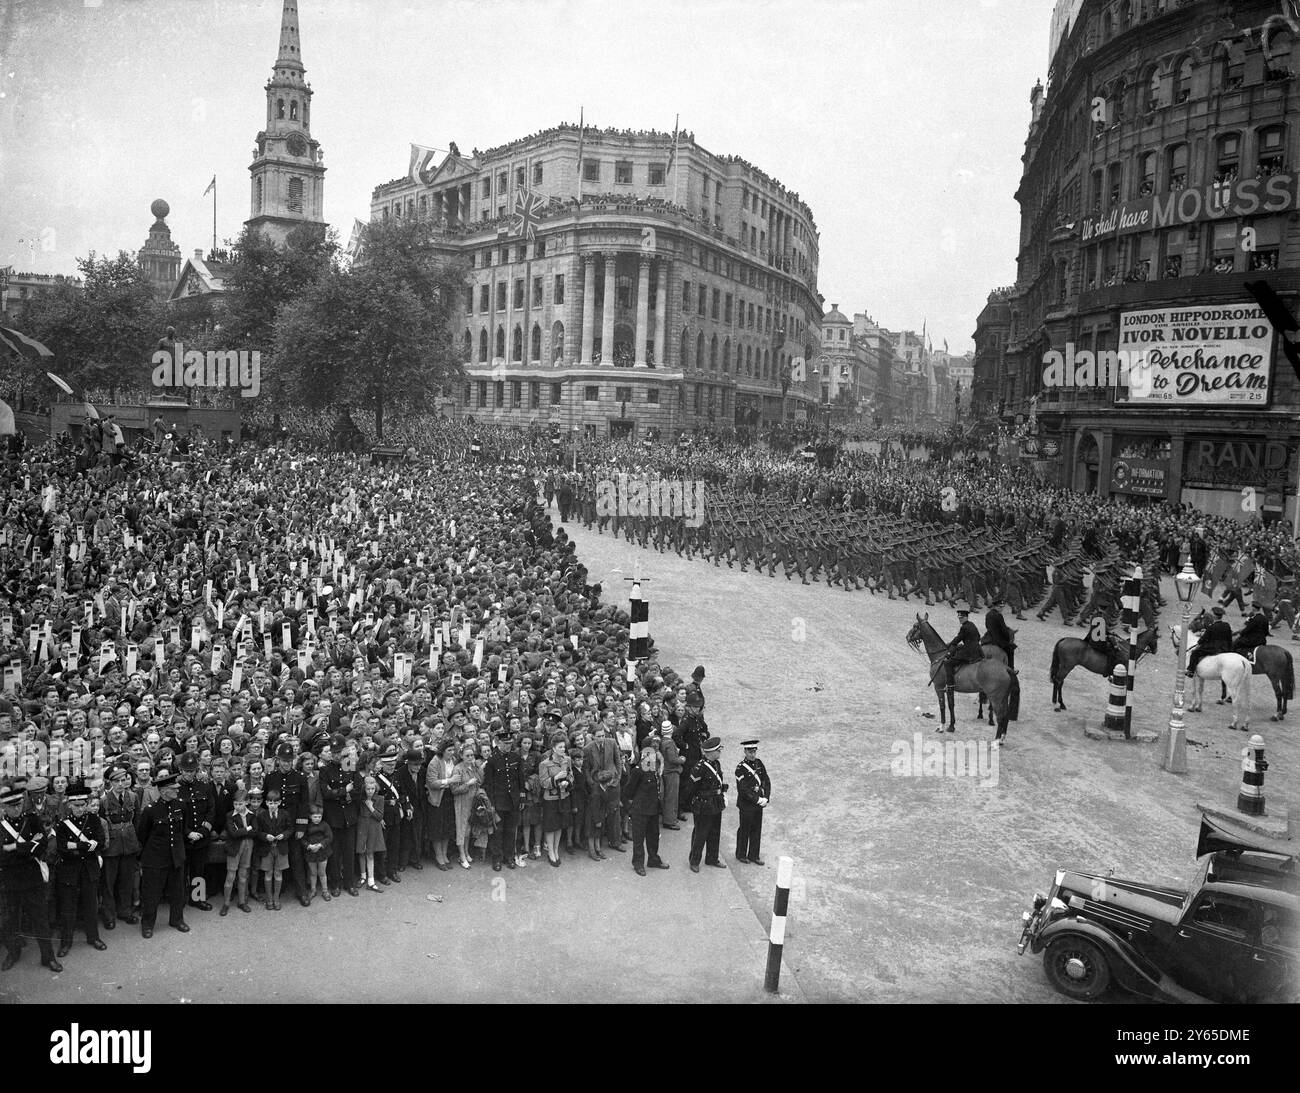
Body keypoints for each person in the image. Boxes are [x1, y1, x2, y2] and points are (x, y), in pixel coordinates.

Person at [0, 780, 61, 972]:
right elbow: (1, 856)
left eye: (18, 804)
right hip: (10, 880)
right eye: (11, 806)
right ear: (3, 807)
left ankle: (48, 957)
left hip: (32, 878)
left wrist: (14, 847)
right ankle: (13, 953)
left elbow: (42, 846)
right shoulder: (1, 826)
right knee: (11, 919)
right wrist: (28, 846)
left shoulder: (32, 819)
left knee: (40, 919)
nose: (16, 809)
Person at [54, 786, 108, 957]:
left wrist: (75, 846)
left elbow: (100, 842)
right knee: (68, 907)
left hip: (89, 869)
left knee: (91, 905)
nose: (79, 808)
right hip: (69, 870)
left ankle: (94, 937)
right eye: (76, 805)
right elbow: (62, 849)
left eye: (82, 805)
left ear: (86, 804)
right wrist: (86, 845)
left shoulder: (94, 819)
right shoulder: (62, 824)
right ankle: (66, 942)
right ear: (69, 805)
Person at [135, 770, 189, 939]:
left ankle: (177, 919)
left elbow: (182, 829)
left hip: (176, 857)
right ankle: (147, 924)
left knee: (178, 891)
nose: (177, 790)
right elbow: (142, 835)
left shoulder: (181, 805)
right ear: (164, 791)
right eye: (174, 788)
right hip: (155, 858)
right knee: (151, 894)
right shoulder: (150, 810)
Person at [99, 763, 140, 929]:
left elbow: (137, 820)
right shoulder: (104, 801)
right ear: (110, 782)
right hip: (111, 847)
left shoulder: (133, 797)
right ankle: (109, 915)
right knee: (109, 883)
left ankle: (125, 911)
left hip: (129, 844)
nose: (121, 784)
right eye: (116, 781)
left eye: (123, 780)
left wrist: (137, 842)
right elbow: (101, 825)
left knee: (127, 880)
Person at [625, 746, 669, 876]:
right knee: (639, 838)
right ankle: (638, 863)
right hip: (640, 810)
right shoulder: (638, 771)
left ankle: (653, 859)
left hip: (653, 808)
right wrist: (633, 804)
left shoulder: (653, 769)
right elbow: (629, 790)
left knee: (653, 836)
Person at [687, 737, 728, 872]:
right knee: (701, 833)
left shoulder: (716, 764)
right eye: (718, 750)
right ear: (711, 752)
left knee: (715, 832)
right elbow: (692, 788)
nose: (720, 752)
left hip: (716, 802)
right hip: (703, 804)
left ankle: (712, 858)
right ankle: (694, 860)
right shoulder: (699, 768)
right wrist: (694, 803)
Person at [483, 729, 522, 871]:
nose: (508, 746)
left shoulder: (515, 757)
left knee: (511, 831)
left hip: (513, 800)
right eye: (505, 743)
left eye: (510, 743)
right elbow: (488, 784)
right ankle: (497, 859)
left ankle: (509, 857)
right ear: (498, 743)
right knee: (497, 832)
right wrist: (492, 804)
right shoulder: (492, 760)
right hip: (499, 801)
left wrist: (521, 798)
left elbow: (520, 779)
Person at [537, 733, 572, 867]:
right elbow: (543, 783)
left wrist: (567, 782)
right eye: (560, 747)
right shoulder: (544, 764)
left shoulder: (567, 760)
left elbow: (571, 775)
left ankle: (556, 850)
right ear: (553, 748)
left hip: (563, 796)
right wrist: (556, 778)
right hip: (550, 799)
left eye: (564, 747)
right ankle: (550, 851)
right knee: (551, 826)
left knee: (560, 825)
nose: (563, 749)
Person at [733, 739, 770, 866]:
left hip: (758, 803)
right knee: (744, 830)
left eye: (754, 751)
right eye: (750, 752)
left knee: (756, 829)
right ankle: (741, 854)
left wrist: (766, 797)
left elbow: (766, 780)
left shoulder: (759, 763)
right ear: (745, 752)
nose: (753, 754)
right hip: (746, 804)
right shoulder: (740, 768)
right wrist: (757, 799)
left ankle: (754, 855)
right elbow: (742, 789)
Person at [255, 785, 292, 910]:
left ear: (279, 802)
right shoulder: (261, 816)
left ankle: (276, 898)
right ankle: (269, 898)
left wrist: (284, 835)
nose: (273, 805)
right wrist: (265, 836)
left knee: (278, 873)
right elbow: (257, 832)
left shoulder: (285, 814)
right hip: (267, 849)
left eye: (275, 803)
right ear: (266, 803)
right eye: (270, 803)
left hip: (281, 848)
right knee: (268, 873)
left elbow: (290, 828)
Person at [219, 790, 255, 915]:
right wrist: (247, 828)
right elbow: (233, 833)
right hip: (234, 846)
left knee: (243, 875)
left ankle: (241, 902)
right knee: (230, 875)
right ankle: (226, 903)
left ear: (247, 802)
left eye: (240, 804)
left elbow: (255, 831)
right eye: (235, 804)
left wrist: (241, 831)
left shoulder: (252, 815)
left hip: (248, 845)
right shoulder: (230, 815)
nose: (237, 807)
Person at [448, 742, 480, 869]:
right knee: (461, 829)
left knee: (468, 829)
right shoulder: (458, 769)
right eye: (467, 755)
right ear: (461, 756)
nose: (470, 758)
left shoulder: (473, 767)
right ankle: (461, 856)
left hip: (472, 801)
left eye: (472, 755)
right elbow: (454, 790)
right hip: (461, 802)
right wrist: (468, 784)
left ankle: (466, 852)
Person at [942, 602, 983, 696]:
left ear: (966, 617)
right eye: (959, 618)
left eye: (962, 618)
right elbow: (978, 637)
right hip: (978, 650)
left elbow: (958, 639)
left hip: (969, 652)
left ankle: (950, 685)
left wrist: (949, 645)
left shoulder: (964, 627)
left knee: (948, 663)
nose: (960, 619)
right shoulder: (972, 624)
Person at [355, 775, 386, 892]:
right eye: (368, 789)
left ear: (375, 788)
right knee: (361, 852)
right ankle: (363, 876)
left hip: (373, 828)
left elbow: (380, 816)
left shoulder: (380, 799)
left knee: (370, 853)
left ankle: (371, 881)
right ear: (364, 789)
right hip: (362, 827)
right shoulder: (360, 799)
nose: (370, 791)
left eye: (372, 789)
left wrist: (371, 807)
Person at [1187, 605, 1233, 677]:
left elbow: (1203, 639)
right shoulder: (1226, 625)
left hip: (1213, 648)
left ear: (1214, 616)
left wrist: (1198, 644)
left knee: (1195, 653)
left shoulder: (1211, 627)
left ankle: (1190, 671)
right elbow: (1229, 638)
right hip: (1225, 648)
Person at [302, 805, 333, 902]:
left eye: (319, 817)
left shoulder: (325, 825)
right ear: (310, 816)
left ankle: (325, 891)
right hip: (311, 852)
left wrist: (320, 845)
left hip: (322, 852)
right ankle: (313, 890)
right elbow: (303, 839)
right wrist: (309, 846)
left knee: (322, 872)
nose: (317, 819)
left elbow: (329, 837)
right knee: (313, 872)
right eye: (315, 817)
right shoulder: (307, 826)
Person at [659, 720, 683, 830]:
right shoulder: (669, 743)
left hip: (665, 771)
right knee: (672, 797)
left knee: (667, 796)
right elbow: (673, 759)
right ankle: (670, 821)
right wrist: (682, 759)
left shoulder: (662, 741)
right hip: (671, 772)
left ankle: (669, 818)